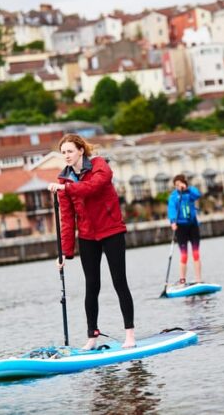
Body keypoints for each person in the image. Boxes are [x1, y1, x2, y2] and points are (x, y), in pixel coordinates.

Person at [48, 134, 135, 349]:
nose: (66, 156)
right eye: (63, 153)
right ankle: (92, 336)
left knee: (119, 281)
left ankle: (130, 335)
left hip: (111, 230)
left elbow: (92, 188)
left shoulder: (99, 165)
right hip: (87, 236)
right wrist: (65, 253)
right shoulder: (64, 179)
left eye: (69, 151)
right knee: (91, 285)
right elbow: (67, 219)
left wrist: (65, 188)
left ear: (80, 150)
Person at [167, 174, 202, 285]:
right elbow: (171, 209)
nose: (178, 186)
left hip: (193, 225)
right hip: (181, 227)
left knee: (196, 253)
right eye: (176, 185)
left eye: (180, 184)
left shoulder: (190, 194)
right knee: (184, 255)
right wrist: (172, 222)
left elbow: (197, 195)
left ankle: (198, 279)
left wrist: (187, 188)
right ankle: (182, 280)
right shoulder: (173, 197)